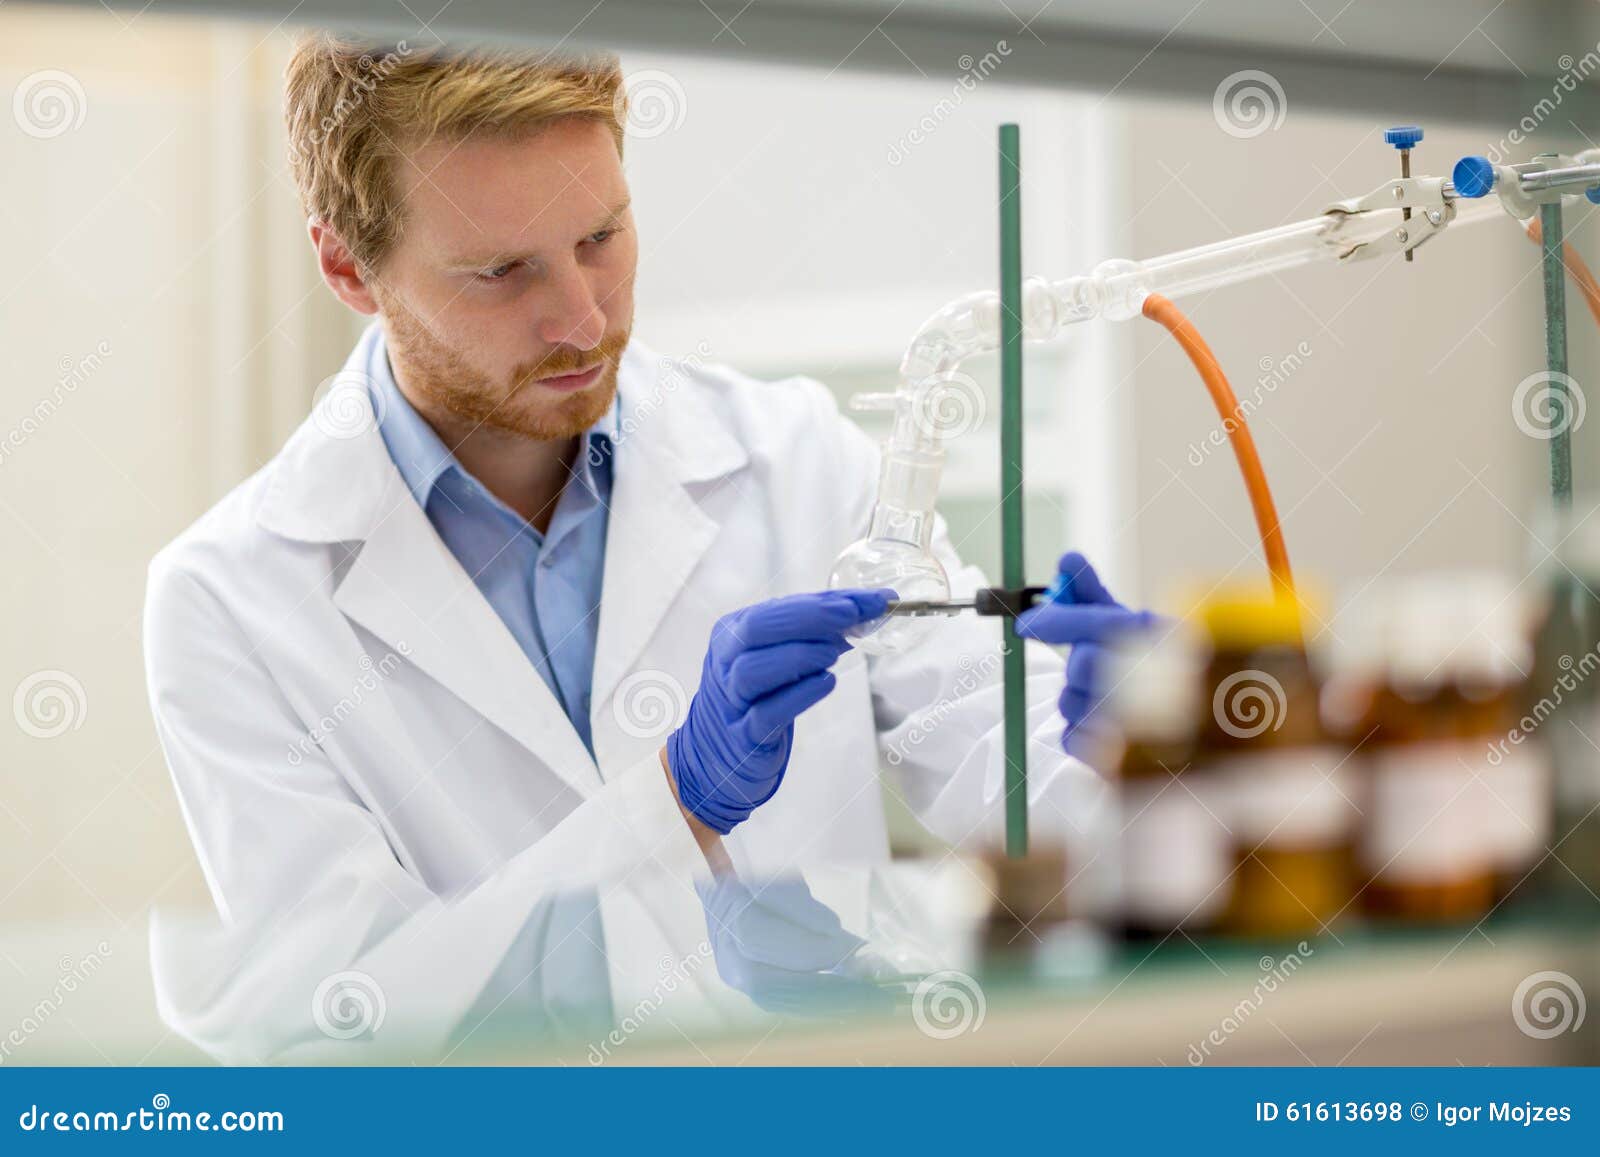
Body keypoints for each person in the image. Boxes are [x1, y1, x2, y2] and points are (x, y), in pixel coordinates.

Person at [141, 36, 1150, 1060]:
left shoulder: (797, 458)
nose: (581, 320)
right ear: (348, 265)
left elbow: (1006, 770)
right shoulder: (229, 601)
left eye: (601, 237)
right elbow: (350, 1019)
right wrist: (674, 805)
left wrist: (1131, 746)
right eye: (500, 271)